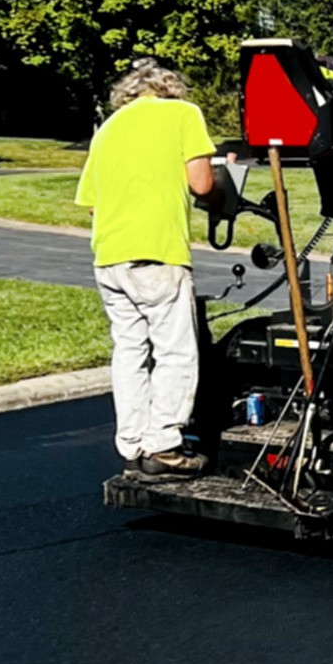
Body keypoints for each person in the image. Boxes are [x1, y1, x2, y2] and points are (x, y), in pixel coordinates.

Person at [74, 61, 218, 475]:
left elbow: (91, 201)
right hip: (157, 250)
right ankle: (165, 445)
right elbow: (202, 184)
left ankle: (133, 443)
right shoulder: (183, 114)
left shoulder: (109, 128)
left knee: (130, 349)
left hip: (109, 255)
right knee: (175, 350)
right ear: (171, 89)